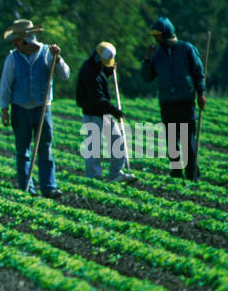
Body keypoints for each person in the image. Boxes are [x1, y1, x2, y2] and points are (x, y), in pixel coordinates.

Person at [0, 19, 69, 198]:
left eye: (17, 39)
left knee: (45, 149)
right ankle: (27, 187)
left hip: (42, 109)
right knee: (22, 150)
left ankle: (49, 187)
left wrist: (57, 59)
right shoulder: (12, 57)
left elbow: (65, 75)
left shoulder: (48, 53)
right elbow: (5, 85)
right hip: (20, 109)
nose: (15, 42)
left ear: (26, 40)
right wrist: (4, 109)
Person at [140, 16, 206, 180]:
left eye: (158, 35)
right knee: (171, 140)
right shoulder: (157, 55)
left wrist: (201, 93)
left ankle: (192, 174)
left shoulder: (186, 49)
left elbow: (198, 72)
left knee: (187, 139)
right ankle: (176, 172)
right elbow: (147, 77)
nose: (155, 39)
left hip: (185, 100)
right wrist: (147, 59)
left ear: (166, 34)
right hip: (167, 102)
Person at [75, 42, 136, 182]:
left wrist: (108, 72)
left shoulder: (97, 68)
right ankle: (94, 178)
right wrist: (114, 110)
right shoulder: (88, 71)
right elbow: (97, 97)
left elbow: (100, 79)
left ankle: (115, 173)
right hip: (92, 114)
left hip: (104, 112)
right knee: (93, 149)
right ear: (96, 56)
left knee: (117, 141)